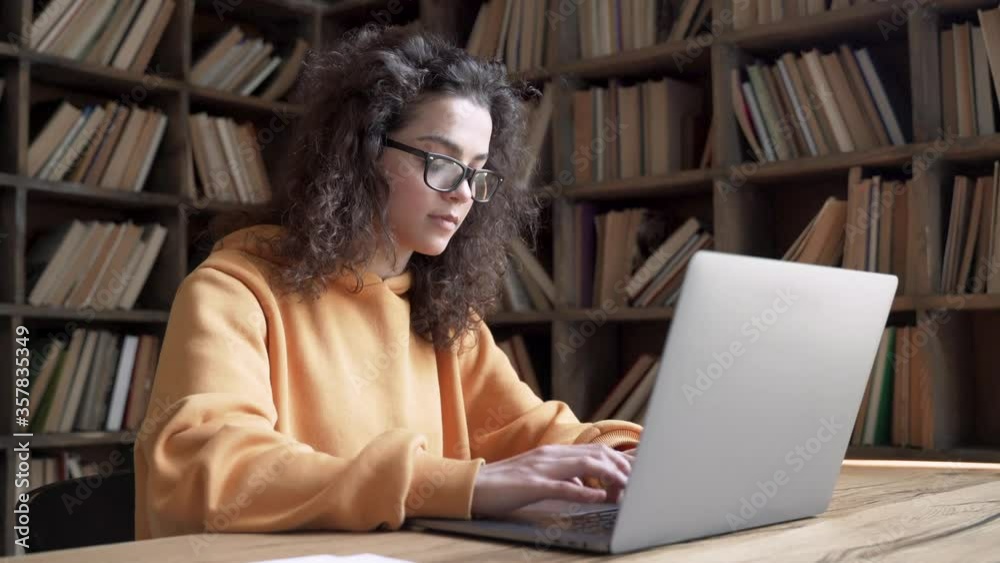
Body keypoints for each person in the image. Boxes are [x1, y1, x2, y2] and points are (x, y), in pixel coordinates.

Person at [134, 25, 642, 540]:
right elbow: (211, 470)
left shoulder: (443, 316)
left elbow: (529, 432)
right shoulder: (233, 293)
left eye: (477, 172)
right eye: (442, 162)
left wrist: (627, 458)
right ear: (363, 150)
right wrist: (460, 485)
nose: (464, 194)